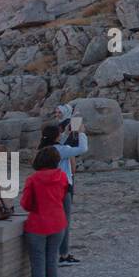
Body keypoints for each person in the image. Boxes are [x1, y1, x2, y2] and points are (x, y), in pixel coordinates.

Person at [40, 106, 89, 266]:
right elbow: (81, 148)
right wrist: (81, 132)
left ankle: (52, 251)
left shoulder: (44, 149)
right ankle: (62, 253)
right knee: (64, 220)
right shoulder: (60, 150)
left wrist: (68, 134)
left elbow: (62, 145)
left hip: (46, 187)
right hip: (62, 186)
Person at [20, 145, 69, 277]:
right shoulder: (62, 176)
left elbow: (25, 203)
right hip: (58, 222)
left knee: (38, 261)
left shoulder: (33, 179)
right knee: (52, 259)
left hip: (37, 224)